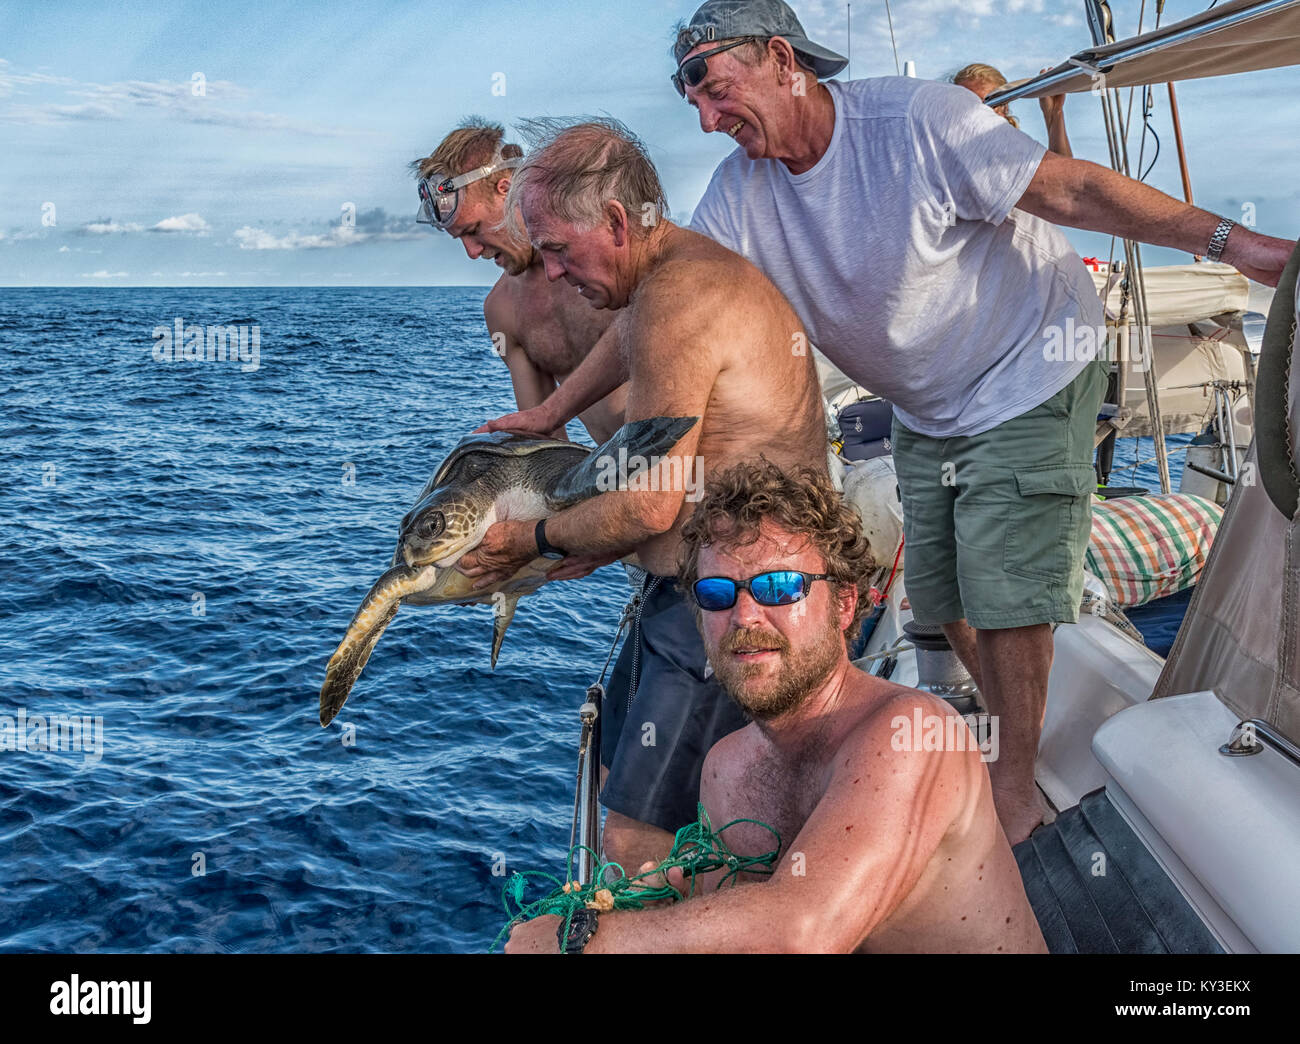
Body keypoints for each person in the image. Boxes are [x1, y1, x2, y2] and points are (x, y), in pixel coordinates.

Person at [664, 0, 1294, 844]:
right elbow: (678, 298)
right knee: (941, 592)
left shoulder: (915, 121)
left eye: (715, 89)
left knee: (1002, 593)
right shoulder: (739, 193)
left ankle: (1016, 786)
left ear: (782, 58)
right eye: (692, 104)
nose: (707, 121)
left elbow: (1068, 187)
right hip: (930, 404)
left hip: (1031, 363)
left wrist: (1232, 242)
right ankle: (1014, 719)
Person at [456, 118, 829, 870]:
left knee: (633, 841)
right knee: (607, 778)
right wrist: (551, 414)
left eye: (559, 249)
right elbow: (621, 343)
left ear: (619, 222)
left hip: (731, 603)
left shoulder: (678, 302)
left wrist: (529, 543)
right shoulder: (669, 276)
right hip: (683, 589)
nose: (551, 272)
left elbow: (651, 506)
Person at [504, 461, 1047, 953]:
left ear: (844, 603)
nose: (745, 616)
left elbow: (804, 929)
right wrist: (651, 888)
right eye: (718, 592)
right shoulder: (725, 766)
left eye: (780, 586)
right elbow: (735, 913)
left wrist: (578, 940)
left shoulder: (914, 733)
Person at [412, 118, 626, 444]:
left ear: (508, 188)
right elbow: (547, 444)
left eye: (473, 230)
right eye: (459, 239)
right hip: (631, 477)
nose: (471, 252)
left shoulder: (613, 254)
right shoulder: (503, 310)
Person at [952, 62, 1073, 157]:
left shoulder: (1015, 150)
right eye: (965, 103)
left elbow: (1066, 183)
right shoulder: (941, 146)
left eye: (985, 104)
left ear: (1003, 109)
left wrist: (1054, 114)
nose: (974, 112)